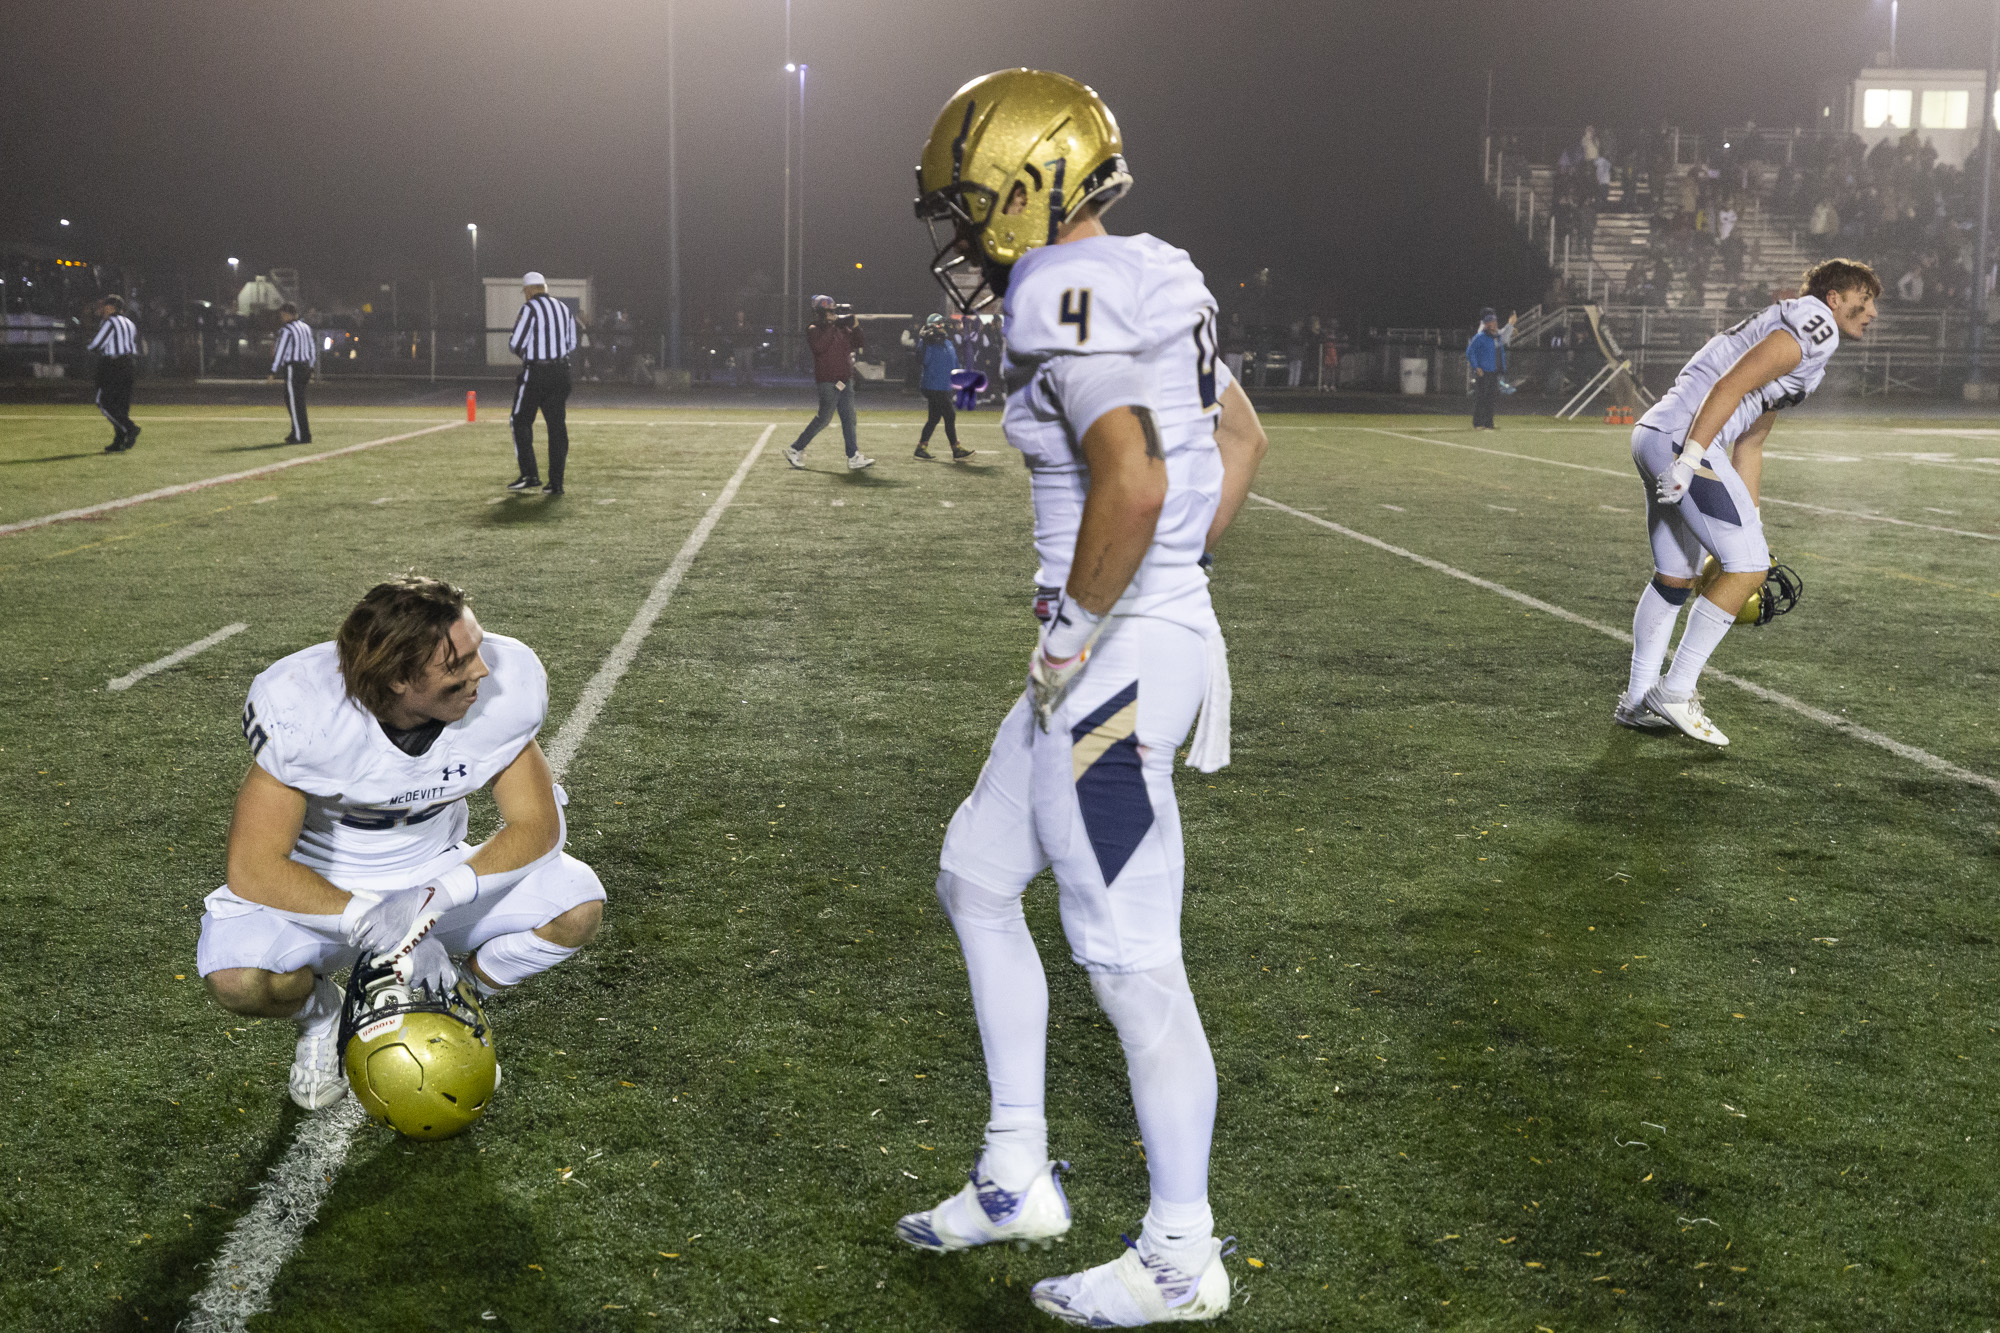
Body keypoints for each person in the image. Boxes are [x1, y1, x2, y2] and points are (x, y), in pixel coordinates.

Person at [901, 67, 1270, 1327]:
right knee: (975, 873)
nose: (953, 240)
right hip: (1132, 641)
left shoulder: (1057, 288)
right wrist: (1167, 593)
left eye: (963, 209)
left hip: (1105, 667)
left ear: (1024, 186)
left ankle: (1181, 1252)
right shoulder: (1152, 267)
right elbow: (1239, 443)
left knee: (1129, 964)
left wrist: (1077, 632)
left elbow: (1133, 482)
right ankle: (1017, 1175)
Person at [196, 575, 604, 1110]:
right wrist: (375, 922)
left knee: (576, 905)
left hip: (432, 873)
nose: (481, 670)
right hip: (321, 890)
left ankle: (458, 995)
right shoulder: (306, 712)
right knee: (238, 979)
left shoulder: (504, 688)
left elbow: (537, 827)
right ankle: (324, 1017)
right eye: (457, 664)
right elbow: (253, 867)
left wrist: (436, 898)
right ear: (396, 678)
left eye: (475, 649)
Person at [1617, 259, 1878, 746]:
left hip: (1660, 431)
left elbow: (1751, 443)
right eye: (1863, 297)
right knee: (1748, 565)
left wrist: (1751, 520)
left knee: (1676, 579)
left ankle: (1636, 702)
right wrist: (1690, 458)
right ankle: (1675, 691)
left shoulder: (1804, 342)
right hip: (1685, 439)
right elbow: (1730, 385)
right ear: (1834, 298)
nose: (1872, 311)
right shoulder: (1817, 325)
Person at [506, 272, 577, 495]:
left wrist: (530, 356)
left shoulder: (529, 308)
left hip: (537, 372)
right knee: (557, 428)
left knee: (520, 421)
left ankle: (530, 475)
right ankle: (556, 483)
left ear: (528, 291)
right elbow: (572, 343)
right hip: (561, 372)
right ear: (544, 287)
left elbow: (515, 343)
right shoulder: (564, 308)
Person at [784, 294, 873, 470]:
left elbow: (858, 342)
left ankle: (853, 456)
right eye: (828, 312)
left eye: (833, 312)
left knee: (849, 418)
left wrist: (856, 327)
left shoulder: (841, 328)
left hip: (845, 380)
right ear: (819, 313)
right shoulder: (813, 329)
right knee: (824, 419)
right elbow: (819, 347)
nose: (832, 315)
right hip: (827, 381)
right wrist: (833, 326)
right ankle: (795, 448)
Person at [914, 313, 971, 460]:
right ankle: (956, 449)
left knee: (934, 418)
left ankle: (921, 447)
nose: (942, 326)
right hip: (933, 385)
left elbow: (954, 363)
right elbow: (922, 361)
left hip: (943, 385)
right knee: (950, 415)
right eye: (938, 324)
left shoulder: (948, 343)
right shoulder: (927, 342)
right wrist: (925, 340)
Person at [88, 294, 140, 453]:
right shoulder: (129, 323)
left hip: (112, 365)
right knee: (121, 405)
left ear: (112, 307)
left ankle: (129, 428)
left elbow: (96, 345)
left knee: (104, 403)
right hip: (128, 364)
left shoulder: (110, 322)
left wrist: (87, 348)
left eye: (106, 306)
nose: (103, 308)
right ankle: (119, 440)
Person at [269, 302, 317, 444]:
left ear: (286, 314)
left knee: (293, 402)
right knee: (299, 402)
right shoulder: (306, 327)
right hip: (305, 366)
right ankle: (298, 432)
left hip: (293, 368)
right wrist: (312, 367)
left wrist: (273, 370)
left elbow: (280, 351)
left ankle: (300, 435)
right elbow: (312, 348)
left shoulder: (287, 330)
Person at [1465, 308, 1513, 430]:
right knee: (1481, 397)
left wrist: (1511, 325)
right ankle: (1478, 423)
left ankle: (1489, 423)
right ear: (1486, 324)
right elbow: (1470, 352)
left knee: (1491, 398)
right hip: (1483, 372)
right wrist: (1476, 367)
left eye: (1495, 322)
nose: (1494, 324)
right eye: (1491, 323)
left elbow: (1505, 337)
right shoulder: (1480, 337)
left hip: (1494, 372)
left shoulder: (1496, 337)